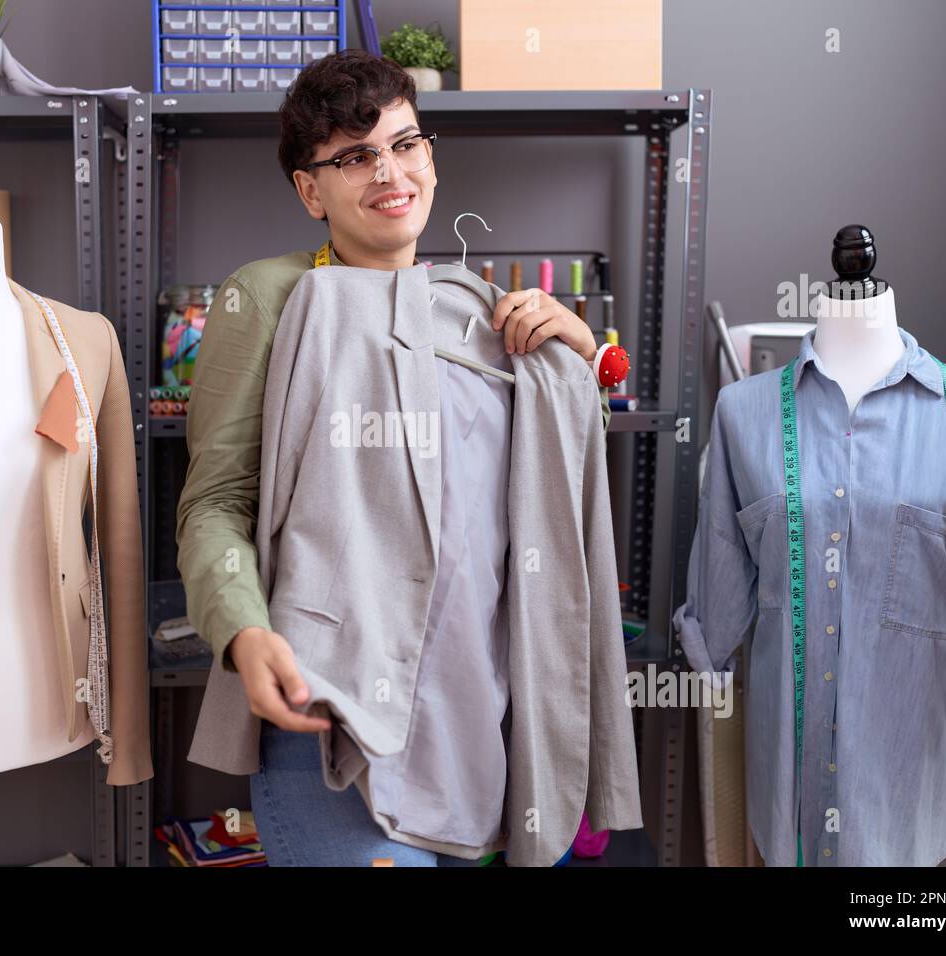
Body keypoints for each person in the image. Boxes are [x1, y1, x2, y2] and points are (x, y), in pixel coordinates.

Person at [176, 49, 611, 866]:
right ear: (311, 190)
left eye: (405, 144)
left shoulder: (488, 315)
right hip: (332, 718)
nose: (389, 171)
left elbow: (547, 504)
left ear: (431, 158)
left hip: (477, 719)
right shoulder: (270, 297)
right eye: (353, 156)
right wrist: (241, 629)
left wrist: (576, 367)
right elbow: (215, 501)